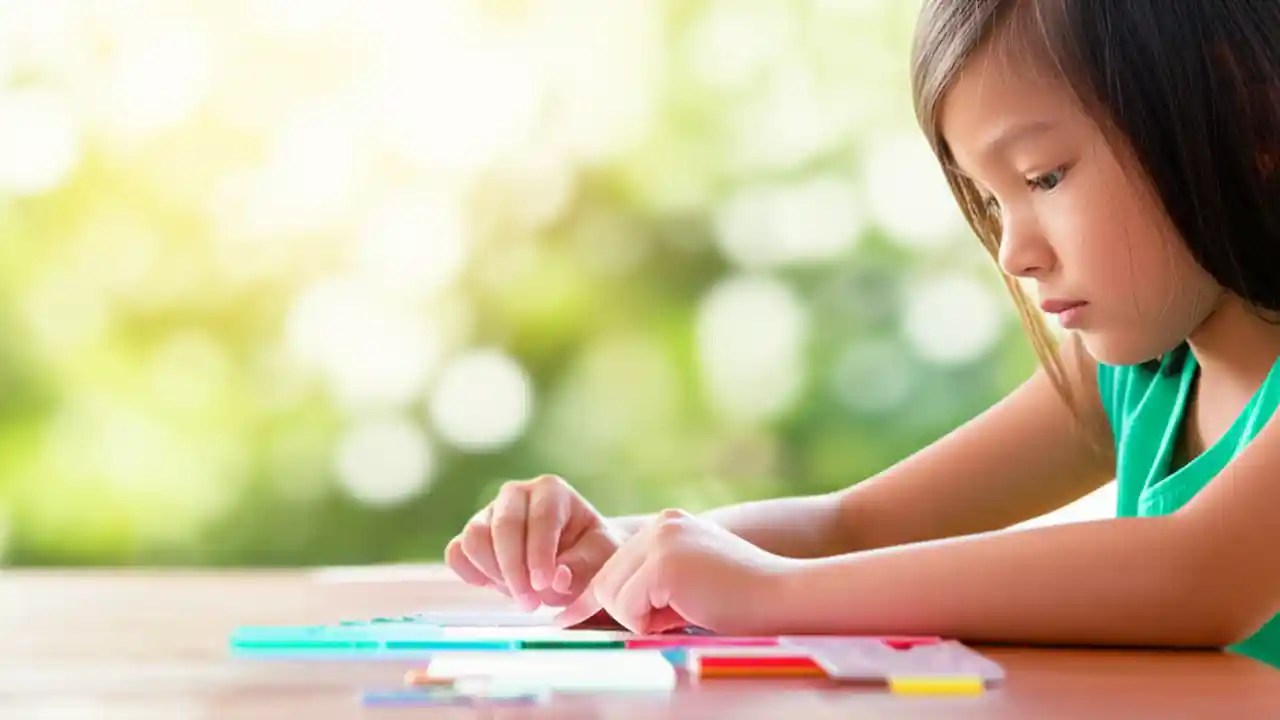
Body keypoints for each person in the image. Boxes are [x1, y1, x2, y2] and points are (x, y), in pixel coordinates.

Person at [445, 0, 1280, 668]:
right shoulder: (1138, 377)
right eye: (992, 203)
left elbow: (1201, 573)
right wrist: (630, 555)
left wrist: (770, 596)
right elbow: (855, 526)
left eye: (1043, 177)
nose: (1015, 252)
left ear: (1246, 108)